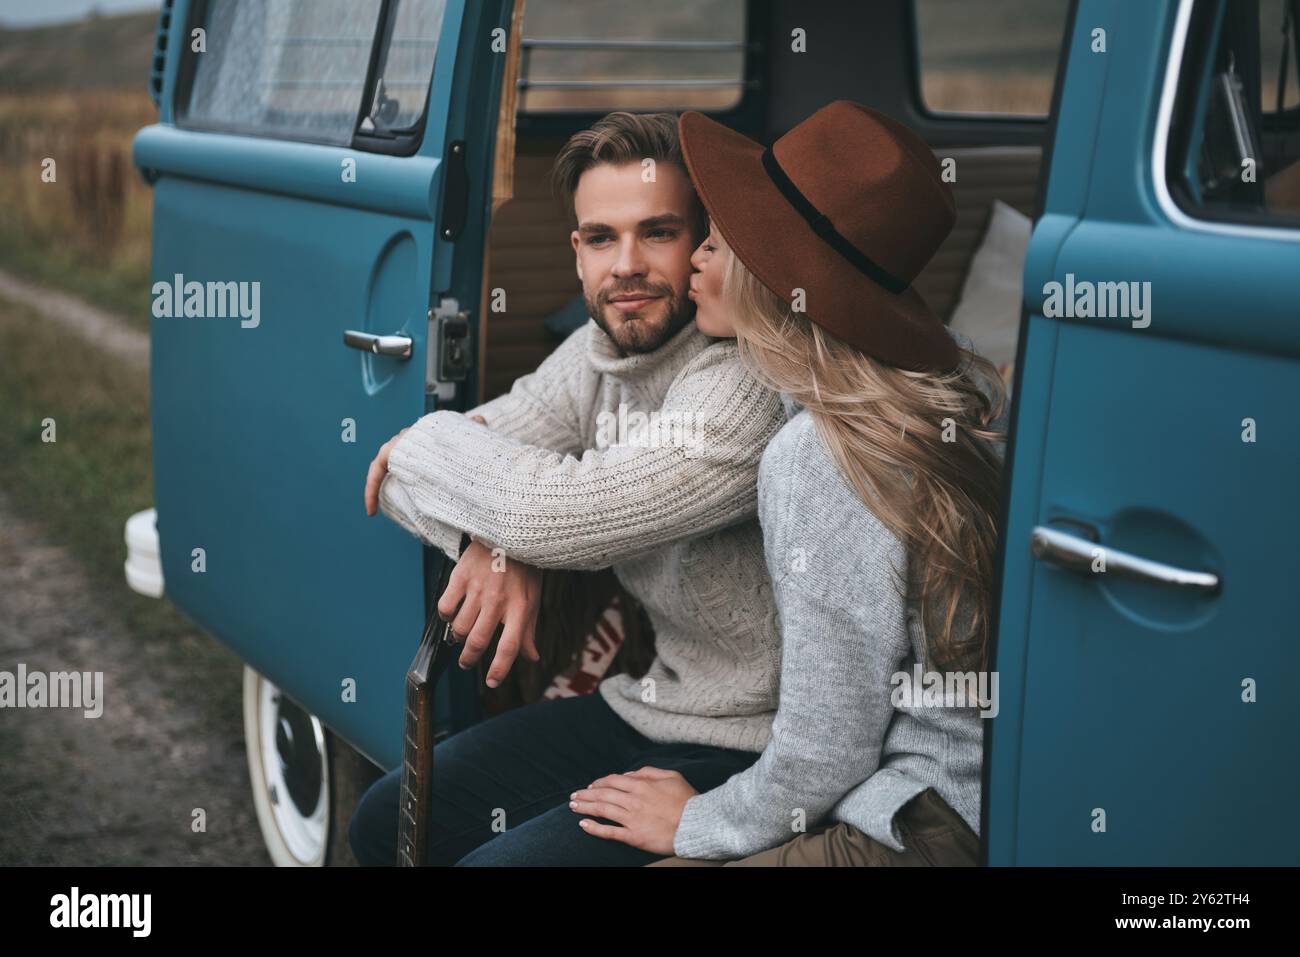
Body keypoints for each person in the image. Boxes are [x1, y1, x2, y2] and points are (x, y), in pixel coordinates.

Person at [568, 101, 1007, 866]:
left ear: (776, 275)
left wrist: (697, 821)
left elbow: (823, 753)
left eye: (721, 236)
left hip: (917, 821)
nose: (696, 255)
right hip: (980, 788)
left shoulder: (818, 453)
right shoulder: (947, 381)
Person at [348, 112, 789, 866]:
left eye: (658, 232)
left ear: (703, 245)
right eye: (600, 238)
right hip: (655, 706)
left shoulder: (741, 385)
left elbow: (557, 511)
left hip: (768, 749)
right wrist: (492, 543)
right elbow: (392, 485)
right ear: (576, 255)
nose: (626, 265)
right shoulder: (592, 357)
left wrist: (429, 445)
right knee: (384, 821)